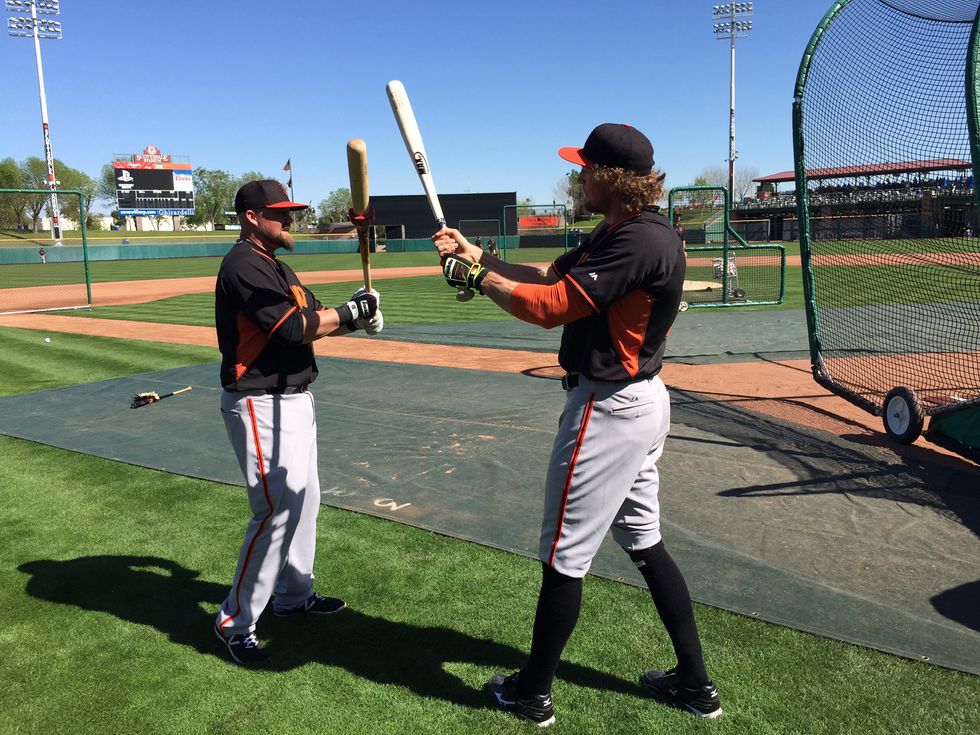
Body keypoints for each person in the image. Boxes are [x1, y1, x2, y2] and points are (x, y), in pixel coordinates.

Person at [434, 124, 720, 725]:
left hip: (608, 409)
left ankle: (532, 693)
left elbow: (550, 309)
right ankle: (695, 684)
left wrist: (477, 281)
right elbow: (549, 277)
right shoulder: (622, 229)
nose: (578, 175)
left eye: (586, 167)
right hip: (639, 402)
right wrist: (478, 257)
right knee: (644, 542)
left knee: (564, 555)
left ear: (611, 177)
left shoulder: (639, 240)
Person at [213, 179, 383, 666]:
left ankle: (292, 595)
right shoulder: (243, 264)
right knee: (275, 511)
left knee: (305, 502)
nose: (290, 220)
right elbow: (290, 328)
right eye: (280, 213)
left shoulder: (277, 266)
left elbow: (315, 317)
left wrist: (356, 317)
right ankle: (234, 622)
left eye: (291, 212)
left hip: (294, 398)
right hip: (259, 401)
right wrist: (348, 312)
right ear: (251, 217)